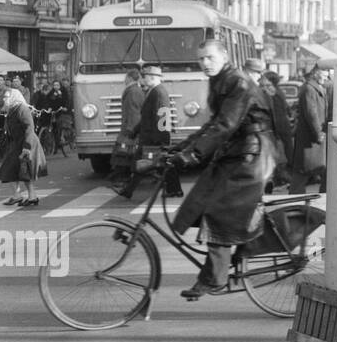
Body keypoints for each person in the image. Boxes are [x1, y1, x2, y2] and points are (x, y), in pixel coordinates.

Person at [165, 40, 277, 299]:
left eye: (209, 57)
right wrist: (180, 148)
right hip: (240, 152)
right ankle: (220, 265)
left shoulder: (237, 82)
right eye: (201, 58)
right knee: (201, 197)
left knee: (219, 210)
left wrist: (193, 154)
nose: (205, 63)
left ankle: (215, 278)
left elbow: (225, 125)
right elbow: (213, 125)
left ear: (224, 56)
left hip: (254, 156)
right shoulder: (221, 80)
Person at [117, 65, 174, 201]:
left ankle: (129, 190)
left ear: (153, 78)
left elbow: (163, 117)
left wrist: (162, 139)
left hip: (153, 137)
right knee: (150, 164)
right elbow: (146, 116)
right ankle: (129, 190)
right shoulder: (154, 91)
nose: (143, 79)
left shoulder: (159, 93)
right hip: (148, 136)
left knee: (145, 163)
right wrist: (135, 131)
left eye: (145, 76)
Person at [0, 87, 47, 207]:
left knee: (18, 170)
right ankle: (28, 196)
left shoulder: (22, 109)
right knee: (19, 170)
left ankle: (21, 196)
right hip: (17, 143)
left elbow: (29, 128)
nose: (5, 98)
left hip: (26, 143)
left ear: (14, 97)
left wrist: (27, 147)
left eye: (7, 96)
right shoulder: (12, 109)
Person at [290, 63, 329, 193]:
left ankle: (322, 197)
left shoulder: (315, 87)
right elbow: (311, 114)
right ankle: (294, 201)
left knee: (314, 169)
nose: (326, 77)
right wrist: (319, 133)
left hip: (313, 137)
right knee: (303, 171)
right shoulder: (309, 89)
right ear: (316, 73)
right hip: (310, 137)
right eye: (324, 74)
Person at [262, 70, 295, 189]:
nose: (262, 80)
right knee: (284, 153)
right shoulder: (277, 91)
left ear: (271, 81)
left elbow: (276, 112)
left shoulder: (273, 92)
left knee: (282, 154)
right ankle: (282, 178)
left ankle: (285, 178)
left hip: (279, 127)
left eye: (265, 79)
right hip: (281, 126)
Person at [112, 68, 145, 184]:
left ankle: (123, 178)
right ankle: (125, 177)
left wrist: (131, 130)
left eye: (125, 77)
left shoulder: (132, 92)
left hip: (130, 128)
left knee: (124, 153)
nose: (124, 80)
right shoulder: (135, 90)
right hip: (131, 127)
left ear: (130, 78)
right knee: (127, 154)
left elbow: (133, 112)